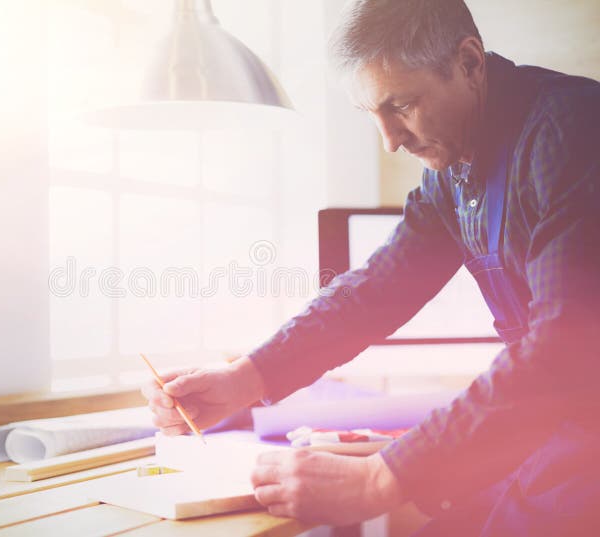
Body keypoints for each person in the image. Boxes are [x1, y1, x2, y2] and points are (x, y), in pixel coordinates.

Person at [142, 0, 600, 534]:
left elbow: (563, 351)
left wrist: (380, 480)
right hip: (554, 425)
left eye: (401, 105)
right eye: (372, 115)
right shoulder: (451, 172)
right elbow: (376, 290)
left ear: (470, 63)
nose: (390, 140)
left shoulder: (572, 131)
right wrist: (246, 378)